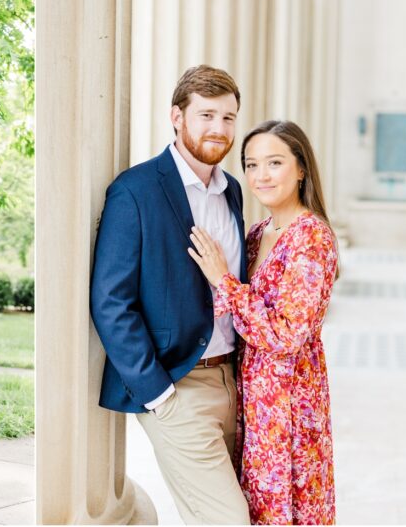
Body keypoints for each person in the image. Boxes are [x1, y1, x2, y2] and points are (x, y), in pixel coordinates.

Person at [90, 65, 250, 524]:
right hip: (176, 385)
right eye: (206, 115)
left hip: (233, 381)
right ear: (176, 117)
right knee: (227, 519)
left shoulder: (232, 192)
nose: (218, 128)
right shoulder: (135, 190)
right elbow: (111, 301)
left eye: (228, 117)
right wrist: (157, 393)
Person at [188, 120, 337, 524]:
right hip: (252, 394)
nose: (261, 176)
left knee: (286, 508)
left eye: (274, 162)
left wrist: (224, 281)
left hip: (290, 399)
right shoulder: (256, 233)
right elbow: (233, 310)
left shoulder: (311, 236)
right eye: (251, 165)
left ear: (301, 168)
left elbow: (288, 334)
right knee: (254, 507)